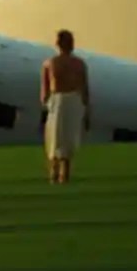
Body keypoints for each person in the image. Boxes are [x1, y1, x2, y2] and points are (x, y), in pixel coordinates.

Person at [40, 30, 90, 184]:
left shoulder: (55, 63)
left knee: (63, 137)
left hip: (67, 100)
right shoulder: (54, 63)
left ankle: (59, 173)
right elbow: (45, 88)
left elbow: (44, 91)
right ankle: (59, 172)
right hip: (64, 100)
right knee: (61, 137)